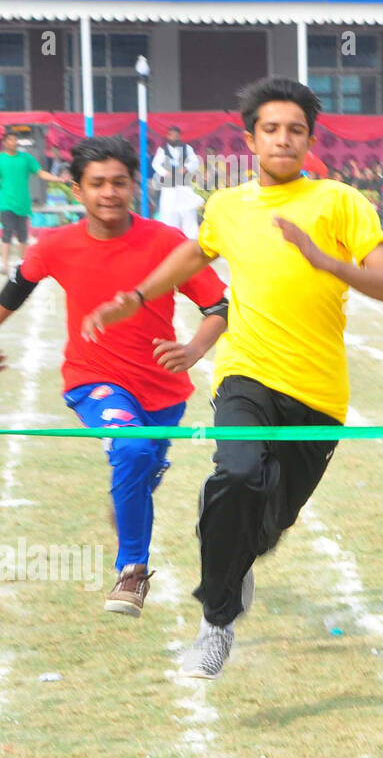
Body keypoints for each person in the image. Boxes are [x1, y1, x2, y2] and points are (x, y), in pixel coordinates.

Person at [82, 77, 383, 679]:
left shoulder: (341, 203)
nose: (283, 139)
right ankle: (217, 621)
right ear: (251, 138)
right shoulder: (228, 207)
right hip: (247, 375)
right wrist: (135, 295)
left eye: (295, 130)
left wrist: (326, 261)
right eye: (271, 129)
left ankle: (237, 561)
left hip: (317, 396)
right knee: (235, 474)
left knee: (266, 527)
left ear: (310, 140)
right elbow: (194, 253)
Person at [0, 135, 227, 617]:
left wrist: (193, 348)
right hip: (92, 379)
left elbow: (218, 306)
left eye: (119, 182)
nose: (109, 193)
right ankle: (133, 571)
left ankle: (131, 500)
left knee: (139, 468)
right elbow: (12, 295)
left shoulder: (168, 244)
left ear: (134, 186)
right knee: (131, 447)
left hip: (164, 390)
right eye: (97, 184)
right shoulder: (55, 244)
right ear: (76, 192)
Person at [1, 130, 66, 277]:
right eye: (10, 140)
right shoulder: (1, 159)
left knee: (23, 235)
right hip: (6, 203)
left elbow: (40, 173)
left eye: (15, 139)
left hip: (23, 202)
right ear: (5, 143)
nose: (14, 142)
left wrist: (57, 179)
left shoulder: (26, 158)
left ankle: (20, 264)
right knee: (7, 231)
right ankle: (4, 264)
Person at [151, 126, 204, 237]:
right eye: (171, 135)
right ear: (168, 136)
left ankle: (191, 239)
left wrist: (186, 168)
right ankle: (170, 238)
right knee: (169, 213)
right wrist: (165, 173)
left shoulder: (187, 148)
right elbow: (155, 164)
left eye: (176, 135)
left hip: (184, 185)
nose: (174, 137)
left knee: (188, 213)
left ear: (179, 136)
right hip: (169, 187)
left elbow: (195, 162)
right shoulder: (163, 149)